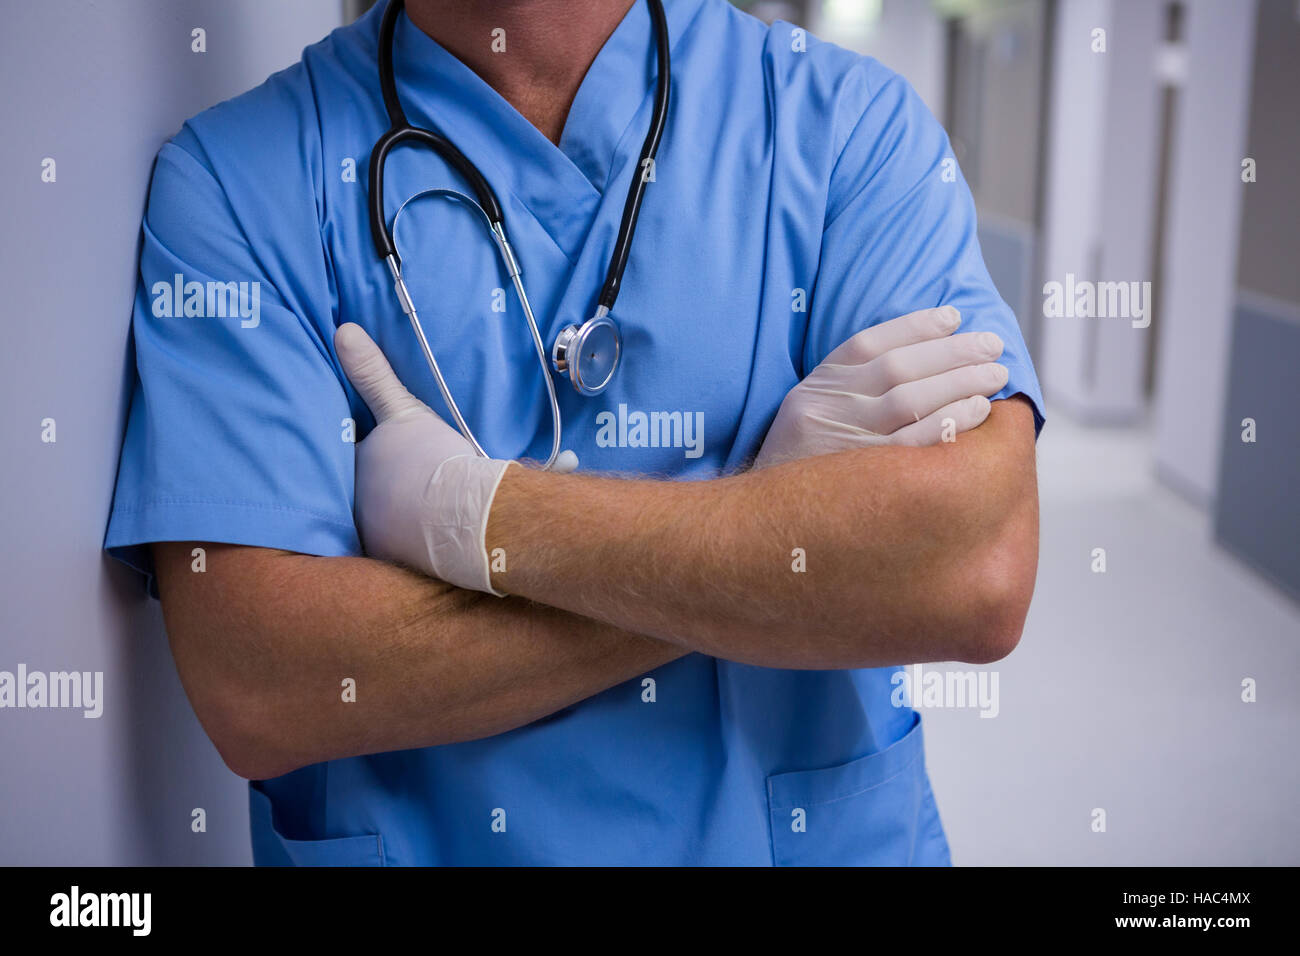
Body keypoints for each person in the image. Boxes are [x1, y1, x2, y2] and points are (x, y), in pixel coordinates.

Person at [105, 0, 1044, 866]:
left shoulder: (844, 127)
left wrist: (478, 515)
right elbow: (263, 682)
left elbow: (974, 569)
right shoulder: (237, 186)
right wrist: (771, 533)